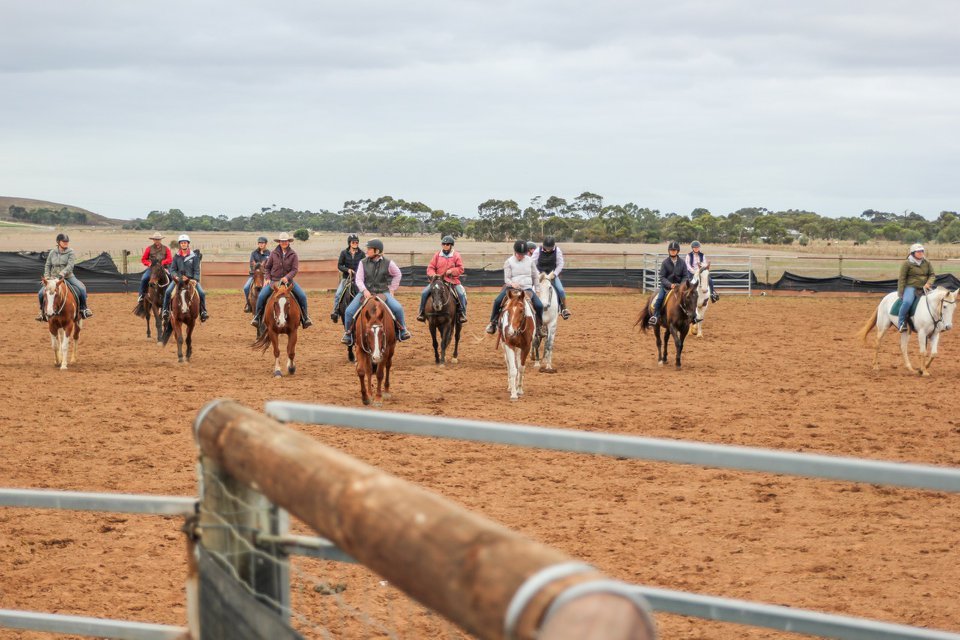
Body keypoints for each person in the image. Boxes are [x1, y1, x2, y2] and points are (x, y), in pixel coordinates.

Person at [341, 238, 411, 345]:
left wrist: (392, 289)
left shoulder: (388, 263)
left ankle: (402, 330)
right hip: (366, 292)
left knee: (398, 308)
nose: (366, 251)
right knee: (349, 311)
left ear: (377, 251)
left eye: (369, 249)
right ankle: (348, 333)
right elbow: (359, 279)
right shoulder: (362, 262)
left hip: (383, 292)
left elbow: (398, 274)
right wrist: (364, 290)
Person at [251, 232, 312, 329]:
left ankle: (305, 317)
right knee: (262, 296)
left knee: (302, 296)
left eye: (286, 241)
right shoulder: (273, 254)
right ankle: (257, 317)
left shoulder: (293, 255)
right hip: (274, 282)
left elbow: (294, 269)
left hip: (289, 282)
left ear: (288, 242)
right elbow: (267, 267)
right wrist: (267, 278)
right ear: (279, 242)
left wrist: (287, 277)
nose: (284, 243)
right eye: (282, 241)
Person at [484, 240, 546, 336]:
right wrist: (512, 284)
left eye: (523, 254)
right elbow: (507, 279)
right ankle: (493, 323)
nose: (520, 256)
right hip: (511, 289)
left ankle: (539, 327)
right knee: (497, 301)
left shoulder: (530, 261)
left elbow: (535, 277)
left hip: (527, 289)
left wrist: (537, 290)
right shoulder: (508, 262)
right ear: (515, 252)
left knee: (539, 306)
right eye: (518, 254)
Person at [36, 233, 93, 320]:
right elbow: (48, 265)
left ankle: (84, 309)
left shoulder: (71, 252)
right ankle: (42, 312)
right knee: (40, 293)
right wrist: (47, 276)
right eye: (64, 241)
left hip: (68, 276)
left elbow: (70, 266)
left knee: (81, 288)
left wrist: (62, 274)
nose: (66, 243)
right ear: (58, 242)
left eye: (67, 241)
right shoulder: (52, 252)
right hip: (53, 278)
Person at [417, 235, 467, 323]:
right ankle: (422, 313)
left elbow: (460, 269)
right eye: (443, 244)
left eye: (447, 244)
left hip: (452, 281)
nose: (445, 245)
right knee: (424, 292)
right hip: (437, 281)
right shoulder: (437, 255)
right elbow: (430, 267)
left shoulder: (456, 255)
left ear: (451, 245)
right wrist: (433, 275)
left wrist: (451, 271)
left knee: (461, 294)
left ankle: (462, 314)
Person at [162, 234, 209, 322]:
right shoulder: (176, 256)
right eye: (182, 243)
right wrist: (175, 276)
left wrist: (195, 279)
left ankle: (203, 312)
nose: (183, 244)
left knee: (202, 293)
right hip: (178, 280)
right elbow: (172, 269)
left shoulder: (194, 256)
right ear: (180, 244)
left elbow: (197, 269)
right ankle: (165, 311)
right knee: (168, 292)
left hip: (191, 280)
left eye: (185, 243)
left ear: (188, 244)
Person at [896, 243, 936, 332]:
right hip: (911, 287)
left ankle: (937, 323)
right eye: (918, 251)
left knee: (937, 300)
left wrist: (929, 283)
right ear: (913, 253)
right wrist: (901, 292)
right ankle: (901, 323)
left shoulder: (927, 262)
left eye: (922, 251)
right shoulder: (907, 263)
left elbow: (932, 275)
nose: (921, 253)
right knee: (907, 302)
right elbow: (902, 278)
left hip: (925, 287)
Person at [649, 241, 690, 326]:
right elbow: (662, 277)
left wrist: (681, 285)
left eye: (674, 250)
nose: (673, 251)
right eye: (671, 250)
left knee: (690, 299)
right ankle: (655, 316)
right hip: (666, 287)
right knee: (659, 299)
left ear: (677, 251)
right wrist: (670, 285)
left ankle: (692, 316)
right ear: (669, 251)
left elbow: (685, 276)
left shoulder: (682, 263)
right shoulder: (665, 262)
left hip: (679, 288)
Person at [531, 236, 571, 319]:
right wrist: (538, 274)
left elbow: (560, 264)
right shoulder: (538, 250)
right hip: (540, 275)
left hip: (551, 275)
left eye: (550, 248)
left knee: (561, 290)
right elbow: (532, 263)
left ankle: (564, 309)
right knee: (530, 289)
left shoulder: (558, 251)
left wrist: (555, 274)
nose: (548, 249)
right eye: (547, 247)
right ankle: (528, 307)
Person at [331, 234, 363, 322]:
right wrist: (347, 270)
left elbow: (364, 265)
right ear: (349, 243)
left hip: (358, 279)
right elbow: (339, 265)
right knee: (338, 294)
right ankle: (336, 311)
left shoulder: (362, 253)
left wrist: (358, 272)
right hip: (346, 278)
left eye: (357, 242)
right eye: (353, 242)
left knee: (364, 293)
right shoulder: (344, 253)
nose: (355, 243)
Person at [137, 232, 172, 305]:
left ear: (161, 240)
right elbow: (143, 259)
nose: (157, 241)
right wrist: (149, 264)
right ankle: (141, 295)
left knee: (171, 277)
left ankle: (173, 294)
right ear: (153, 240)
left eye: (158, 239)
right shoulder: (149, 249)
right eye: (155, 239)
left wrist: (163, 263)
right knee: (144, 278)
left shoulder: (166, 248)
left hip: (163, 268)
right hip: (152, 269)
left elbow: (170, 259)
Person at [242, 236, 270, 312]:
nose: (261, 244)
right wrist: (255, 270)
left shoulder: (269, 254)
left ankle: (271, 304)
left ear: (266, 244)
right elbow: (251, 264)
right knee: (246, 288)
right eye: (259, 243)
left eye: (262, 243)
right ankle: (249, 304)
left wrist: (265, 272)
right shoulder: (254, 253)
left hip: (265, 276)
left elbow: (270, 265)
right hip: (255, 275)